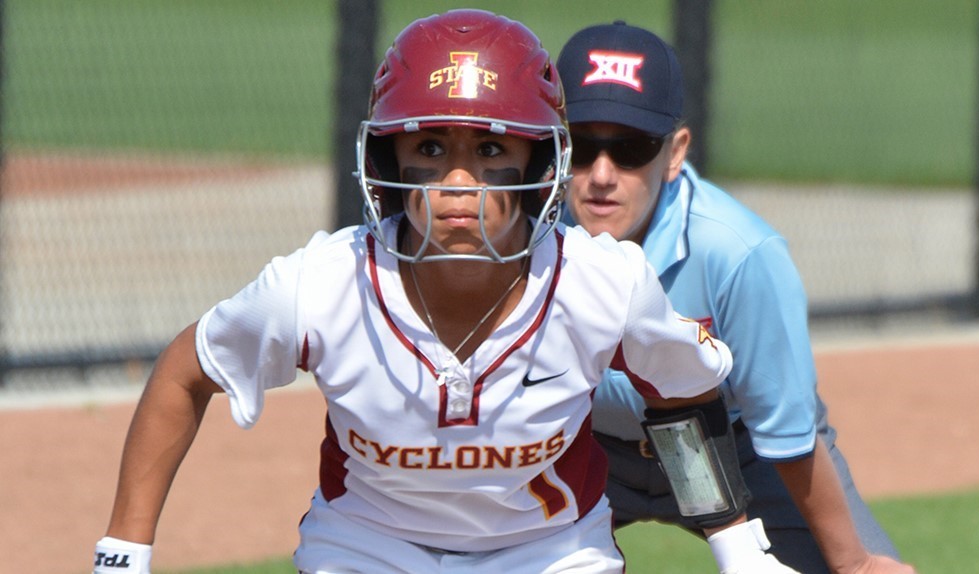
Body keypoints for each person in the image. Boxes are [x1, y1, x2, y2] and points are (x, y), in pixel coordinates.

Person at [90, 10, 783, 574]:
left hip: (550, 552)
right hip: (366, 548)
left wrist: (739, 548)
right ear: (385, 160)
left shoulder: (602, 284)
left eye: (490, 151)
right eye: (428, 150)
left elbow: (682, 396)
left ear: (542, 164)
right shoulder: (322, 285)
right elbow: (188, 370)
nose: (458, 184)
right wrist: (122, 554)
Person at [556, 21, 918, 574]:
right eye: (582, 147)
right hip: (586, 453)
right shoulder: (524, 238)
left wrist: (853, 564)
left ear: (674, 154)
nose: (602, 175)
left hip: (738, 449)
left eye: (630, 149)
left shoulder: (737, 251)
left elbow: (786, 427)